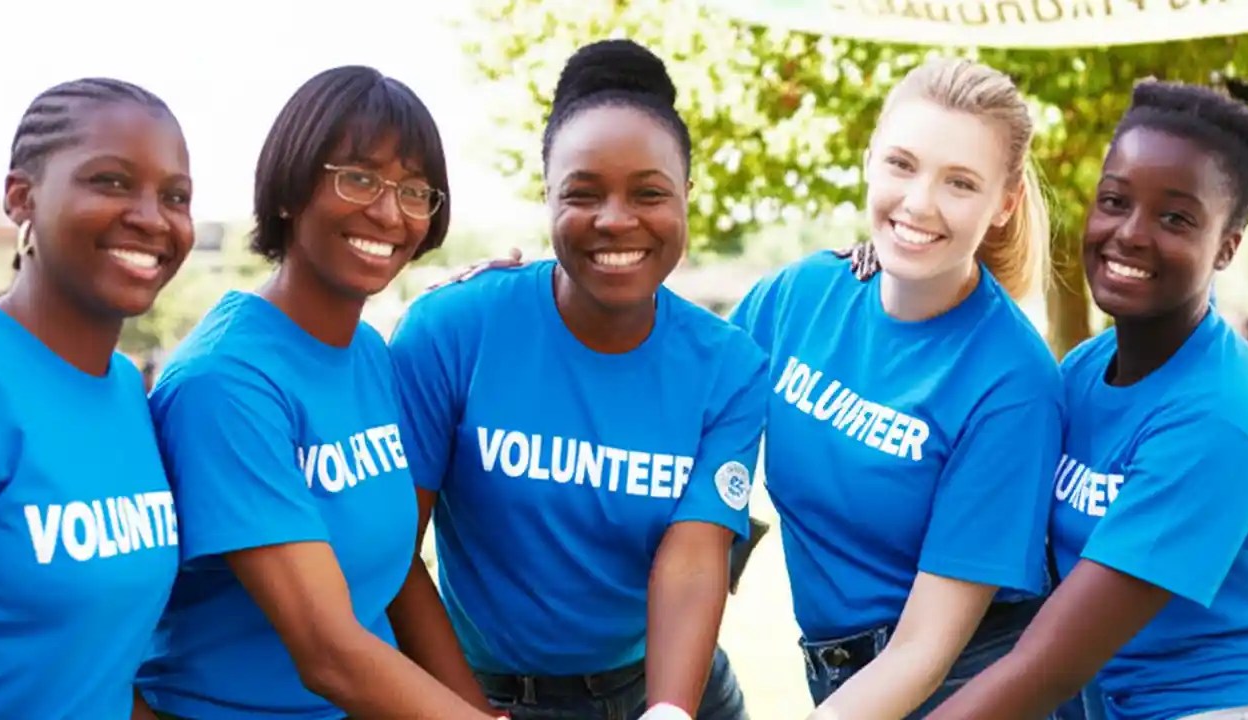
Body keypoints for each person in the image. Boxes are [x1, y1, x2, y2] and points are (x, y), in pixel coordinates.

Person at [388, 40, 764, 720]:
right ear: (547, 196)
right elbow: (392, 553)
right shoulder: (452, 331)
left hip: (670, 688)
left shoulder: (728, 366)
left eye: (649, 193)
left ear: (686, 195)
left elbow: (693, 558)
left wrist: (669, 713)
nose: (616, 220)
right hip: (491, 694)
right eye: (583, 193)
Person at [135, 66, 503, 720]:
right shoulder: (225, 384)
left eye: (415, 190)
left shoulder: (367, 354)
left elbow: (397, 575)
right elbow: (328, 652)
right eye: (358, 178)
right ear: (289, 190)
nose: (389, 213)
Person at [728, 58, 1067, 720]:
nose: (918, 203)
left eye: (960, 182)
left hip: (960, 688)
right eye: (901, 164)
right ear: (869, 161)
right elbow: (671, 400)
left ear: (1004, 203)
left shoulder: (1014, 385)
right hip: (843, 676)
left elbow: (924, 649)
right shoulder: (801, 296)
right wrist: (529, 294)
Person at [924, 80, 1248, 720]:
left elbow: (1050, 664)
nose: (1130, 234)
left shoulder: (1222, 415)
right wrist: (894, 264)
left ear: (1226, 246)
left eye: (1175, 218)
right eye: (1114, 201)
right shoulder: (1084, 370)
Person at [0, 78, 190, 718]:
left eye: (175, 196)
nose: (152, 218)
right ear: (21, 197)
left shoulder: (128, 389)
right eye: (111, 181)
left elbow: (97, 670)